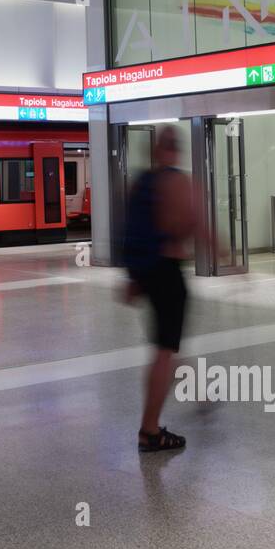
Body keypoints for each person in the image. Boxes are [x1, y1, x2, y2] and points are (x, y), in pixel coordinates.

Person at [122, 126, 199, 452]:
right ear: (176, 149)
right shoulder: (176, 181)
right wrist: (227, 257)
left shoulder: (141, 182)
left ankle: (199, 388)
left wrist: (133, 277)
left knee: (163, 349)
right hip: (168, 273)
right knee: (164, 352)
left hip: (149, 275)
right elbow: (191, 224)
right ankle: (149, 431)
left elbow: (128, 232)